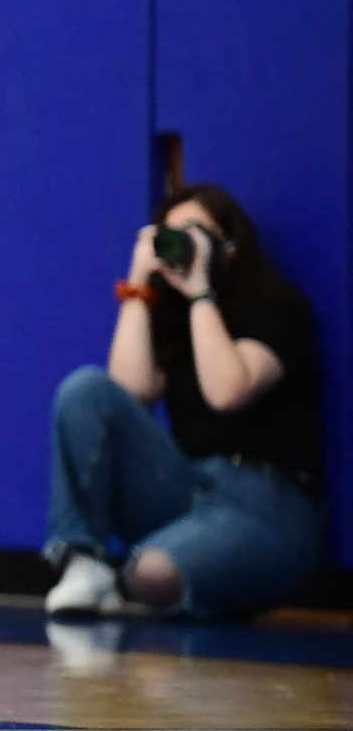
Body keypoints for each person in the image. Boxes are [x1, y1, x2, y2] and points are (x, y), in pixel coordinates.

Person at [44, 184, 325, 619]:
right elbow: (125, 394)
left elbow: (227, 392)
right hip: (187, 487)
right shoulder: (175, 322)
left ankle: (197, 573)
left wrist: (201, 294)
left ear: (229, 246)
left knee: (152, 575)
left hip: (268, 504)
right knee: (84, 388)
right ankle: (85, 561)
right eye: (169, 235)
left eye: (194, 233)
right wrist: (139, 283)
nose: (180, 245)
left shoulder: (278, 308)